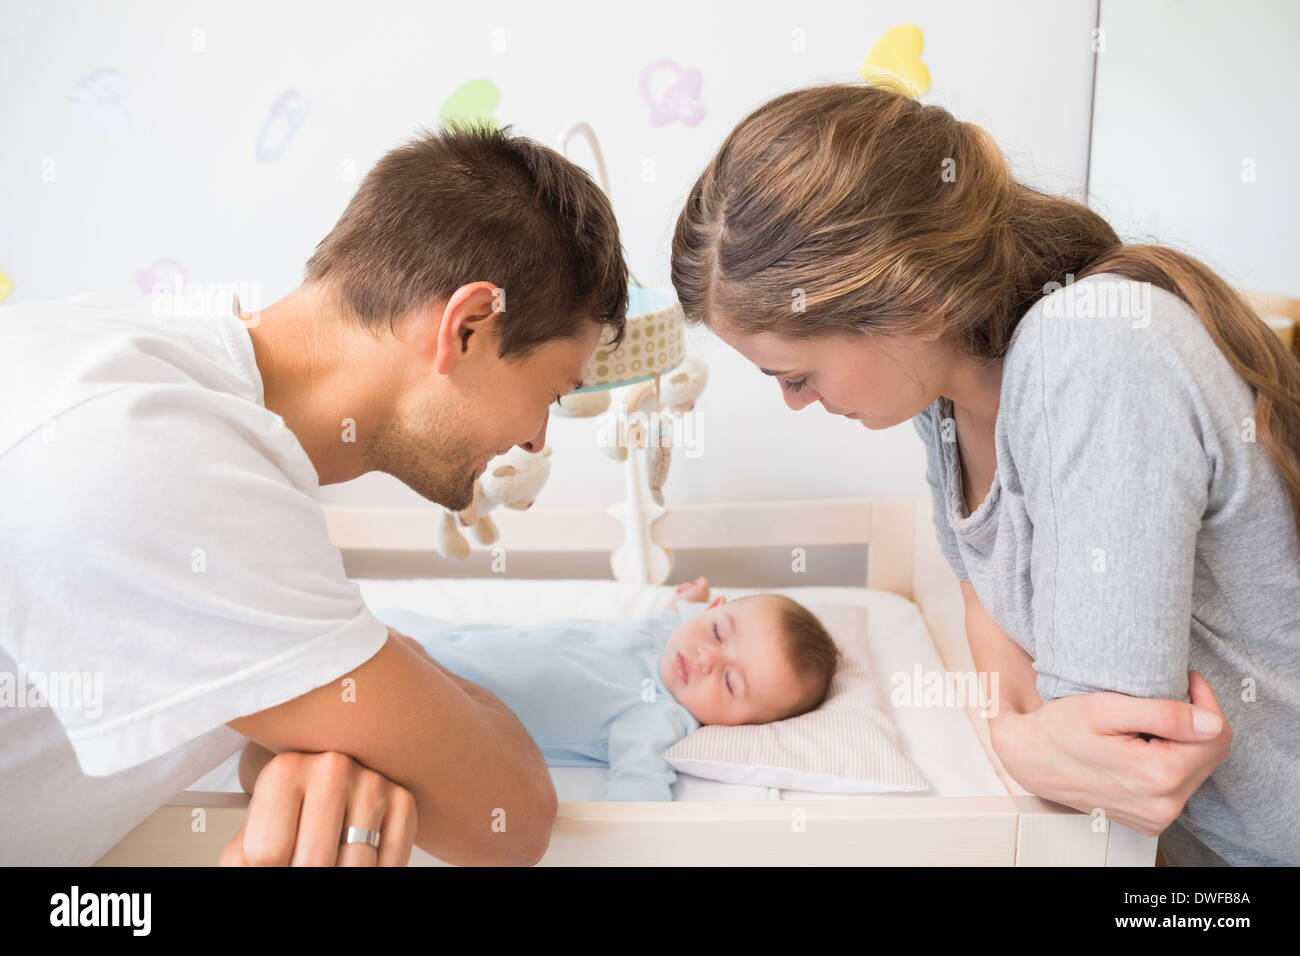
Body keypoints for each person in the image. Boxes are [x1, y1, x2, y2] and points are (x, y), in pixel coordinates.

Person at [669, 82, 1300, 866]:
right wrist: (1025, 737)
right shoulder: (946, 410)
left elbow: (1124, 761)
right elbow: (988, 620)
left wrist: (1034, 743)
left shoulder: (1091, 353)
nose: (799, 404)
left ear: (913, 302)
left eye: (796, 375)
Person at [0, 122, 627, 866]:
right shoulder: (166, 457)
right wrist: (372, 674)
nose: (535, 442)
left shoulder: (117, 355)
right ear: (465, 329)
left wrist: (350, 684)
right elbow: (510, 817)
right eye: (552, 393)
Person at [373, 577, 840, 800]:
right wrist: (690, 601)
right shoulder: (669, 635)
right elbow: (682, 613)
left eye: (730, 681)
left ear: (741, 726)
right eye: (719, 632)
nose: (705, 658)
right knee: (380, 631)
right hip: (455, 639)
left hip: (443, 698)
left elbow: (638, 795)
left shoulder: (654, 717)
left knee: (366, 686)